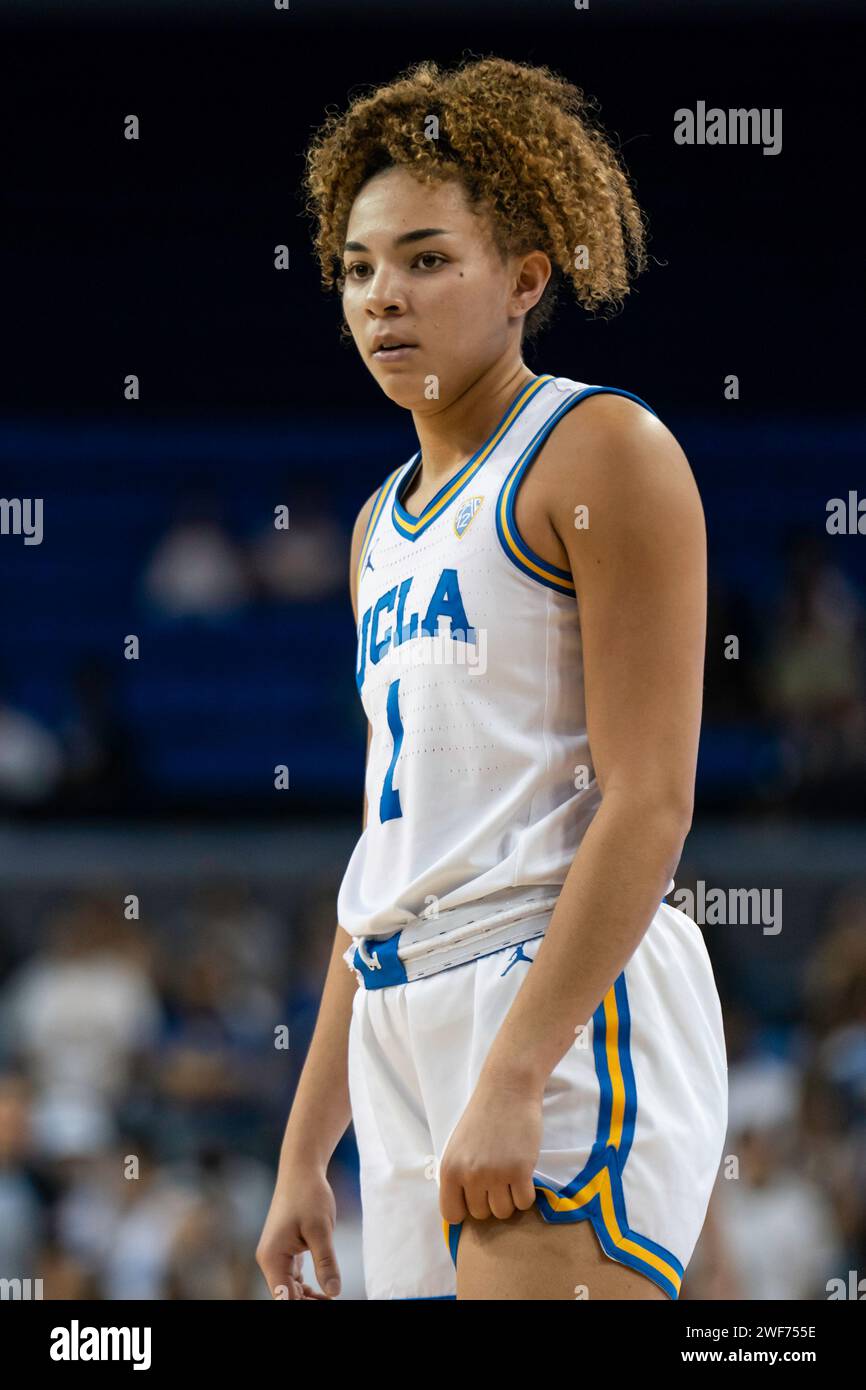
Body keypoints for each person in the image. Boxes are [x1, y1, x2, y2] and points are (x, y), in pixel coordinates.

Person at [257, 55, 728, 1302]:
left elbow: (649, 801)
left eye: (424, 259)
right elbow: (388, 857)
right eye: (357, 268)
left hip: (554, 987)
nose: (380, 298)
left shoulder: (599, 446)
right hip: (402, 1018)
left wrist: (518, 1067)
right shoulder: (375, 527)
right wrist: (309, 1146)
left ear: (524, 280)